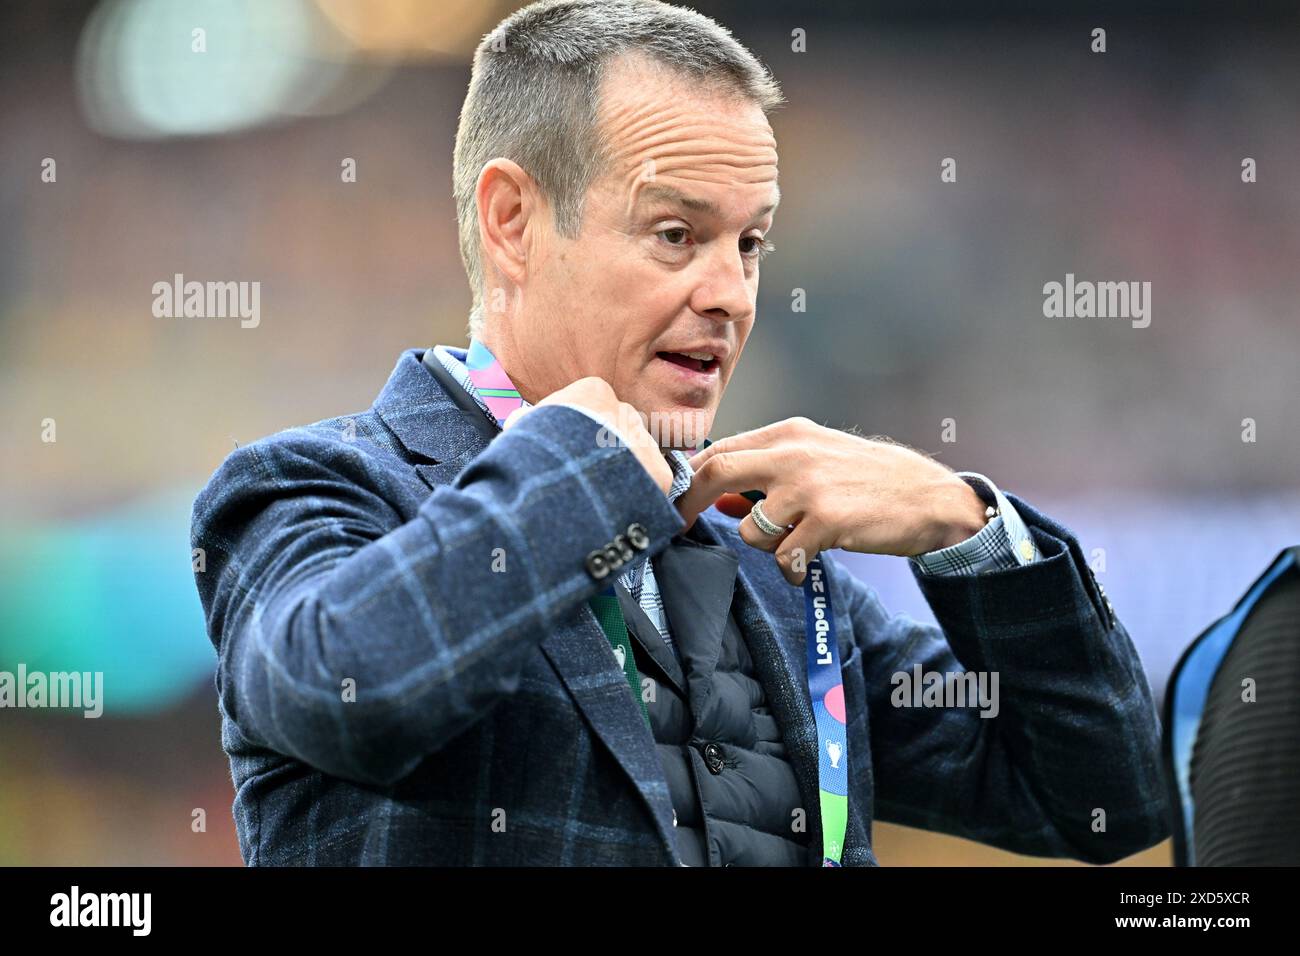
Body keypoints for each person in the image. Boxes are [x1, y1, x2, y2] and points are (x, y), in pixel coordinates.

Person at [190, 0, 1168, 866]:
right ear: (513, 221)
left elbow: (1098, 803)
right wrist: (579, 458)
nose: (731, 294)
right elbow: (348, 690)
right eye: (675, 234)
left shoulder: (756, 546)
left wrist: (967, 527)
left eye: (748, 242)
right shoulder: (313, 484)